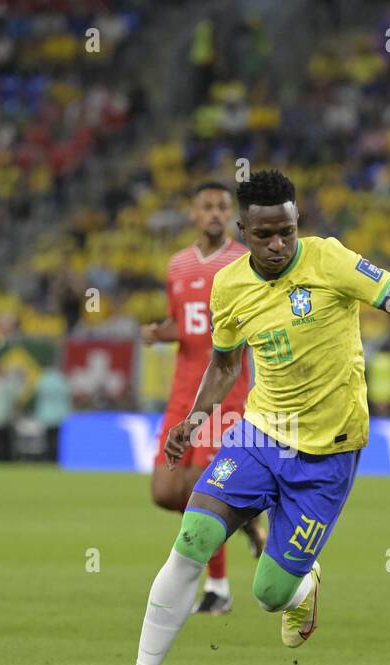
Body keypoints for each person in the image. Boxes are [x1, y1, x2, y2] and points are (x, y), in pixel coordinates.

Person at [105, 168, 390, 665]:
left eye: (287, 231)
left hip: (329, 451)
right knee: (194, 535)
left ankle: (301, 589)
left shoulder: (330, 261)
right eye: (264, 235)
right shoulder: (228, 284)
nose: (278, 244)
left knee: (270, 593)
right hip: (258, 434)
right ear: (242, 230)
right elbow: (227, 361)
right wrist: (196, 416)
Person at [143, 182, 263, 614]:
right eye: (207, 206)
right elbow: (185, 324)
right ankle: (244, 520)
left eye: (222, 207)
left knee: (201, 487)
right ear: (193, 214)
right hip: (181, 392)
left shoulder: (244, 262)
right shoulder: (176, 266)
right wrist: (159, 332)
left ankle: (218, 588)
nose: (215, 213)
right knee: (164, 489)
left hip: (223, 392)